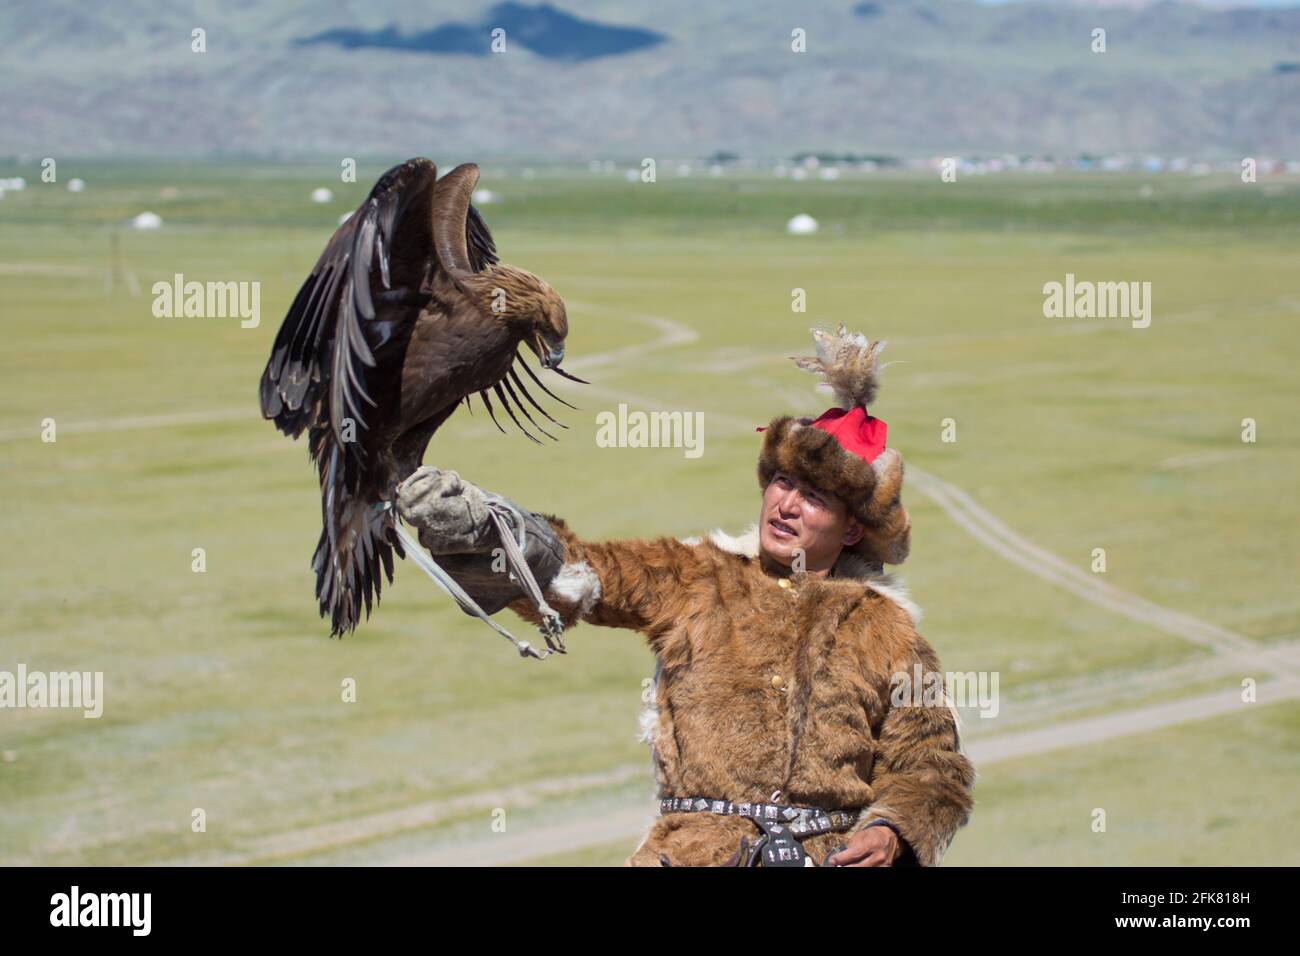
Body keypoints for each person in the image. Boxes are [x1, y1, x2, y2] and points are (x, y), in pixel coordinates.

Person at [397, 325, 975, 866]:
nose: (787, 504)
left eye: (815, 497)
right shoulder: (698, 577)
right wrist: (494, 532)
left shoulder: (888, 631)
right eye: (783, 481)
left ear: (851, 527)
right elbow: (585, 577)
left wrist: (891, 830)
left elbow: (931, 765)